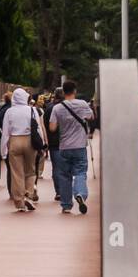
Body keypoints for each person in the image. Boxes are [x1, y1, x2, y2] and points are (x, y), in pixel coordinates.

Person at [49, 80, 93, 215]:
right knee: (80, 172)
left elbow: (52, 128)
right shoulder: (82, 104)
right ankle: (80, 193)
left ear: (63, 92)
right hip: (80, 146)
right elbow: (91, 117)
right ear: (75, 91)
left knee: (64, 175)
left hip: (64, 147)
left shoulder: (57, 108)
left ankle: (67, 205)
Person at [0, 87, 39, 212]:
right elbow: (37, 129)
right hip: (29, 141)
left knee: (16, 173)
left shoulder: (9, 112)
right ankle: (28, 194)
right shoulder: (32, 110)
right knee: (31, 171)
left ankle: (19, 202)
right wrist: (41, 145)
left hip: (14, 141)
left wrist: (3, 151)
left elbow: (5, 133)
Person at [43, 87, 64, 202]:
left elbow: (46, 124)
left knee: (56, 167)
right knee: (66, 167)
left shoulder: (49, 108)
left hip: (53, 142)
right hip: (67, 141)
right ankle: (66, 190)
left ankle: (59, 191)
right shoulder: (67, 107)